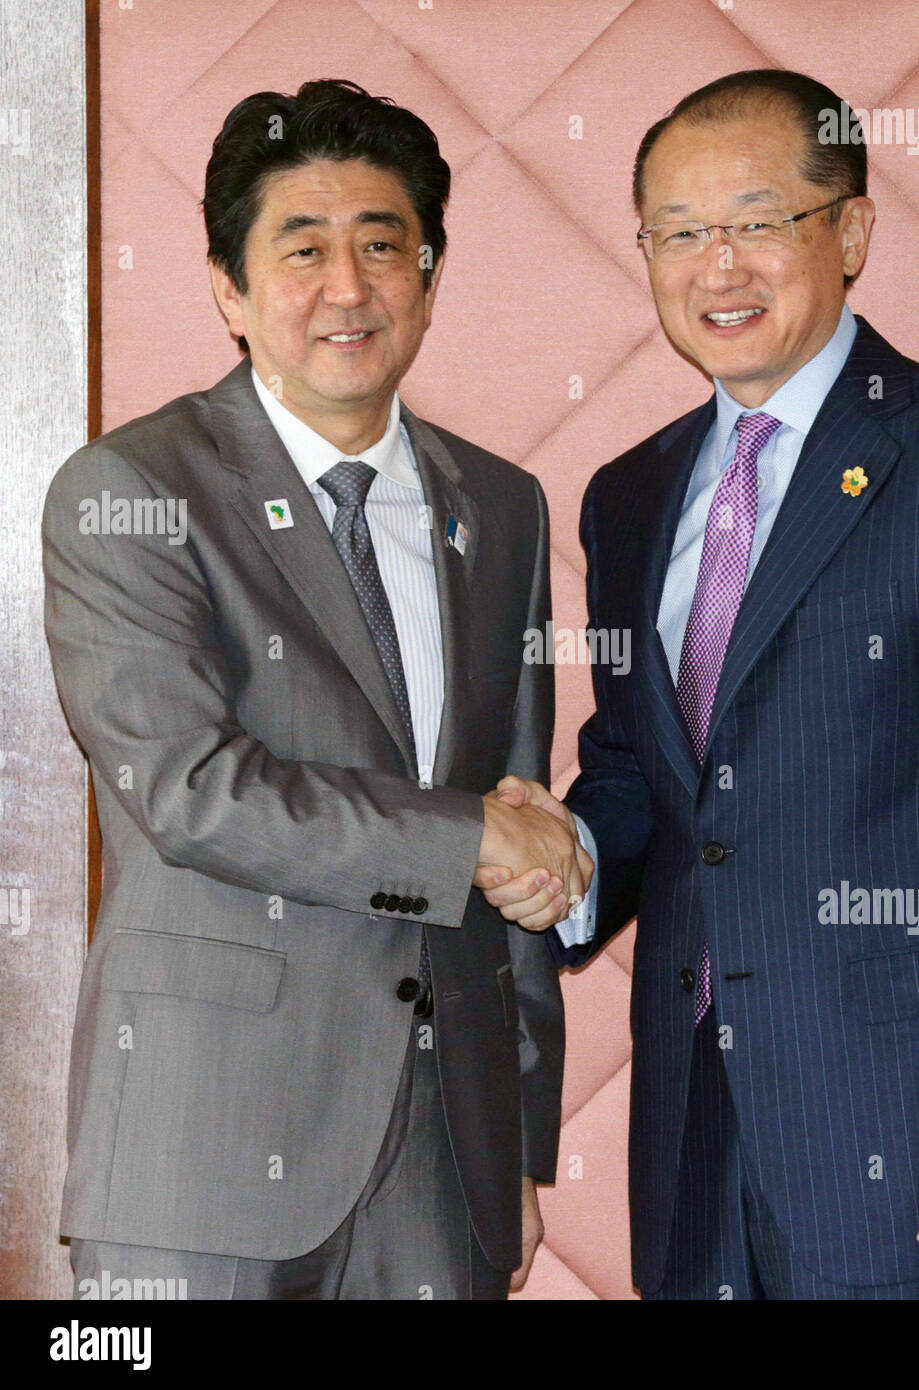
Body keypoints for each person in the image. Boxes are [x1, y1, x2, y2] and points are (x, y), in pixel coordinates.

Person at [481, 69, 919, 1300]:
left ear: (853, 232)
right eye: (679, 232)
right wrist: (561, 866)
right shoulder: (631, 493)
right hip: (697, 1133)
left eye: (758, 221)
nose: (715, 265)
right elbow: (642, 769)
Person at [42, 78, 588, 1301]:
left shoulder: (500, 507)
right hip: (203, 1151)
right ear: (229, 287)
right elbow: (190, 791)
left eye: (384, 247)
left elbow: (516, 802)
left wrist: (520, 1132)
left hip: (444, 1164)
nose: (350, 288)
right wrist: (470, 841)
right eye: (304, 249)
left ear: (430, 277)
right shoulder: (128, 489)